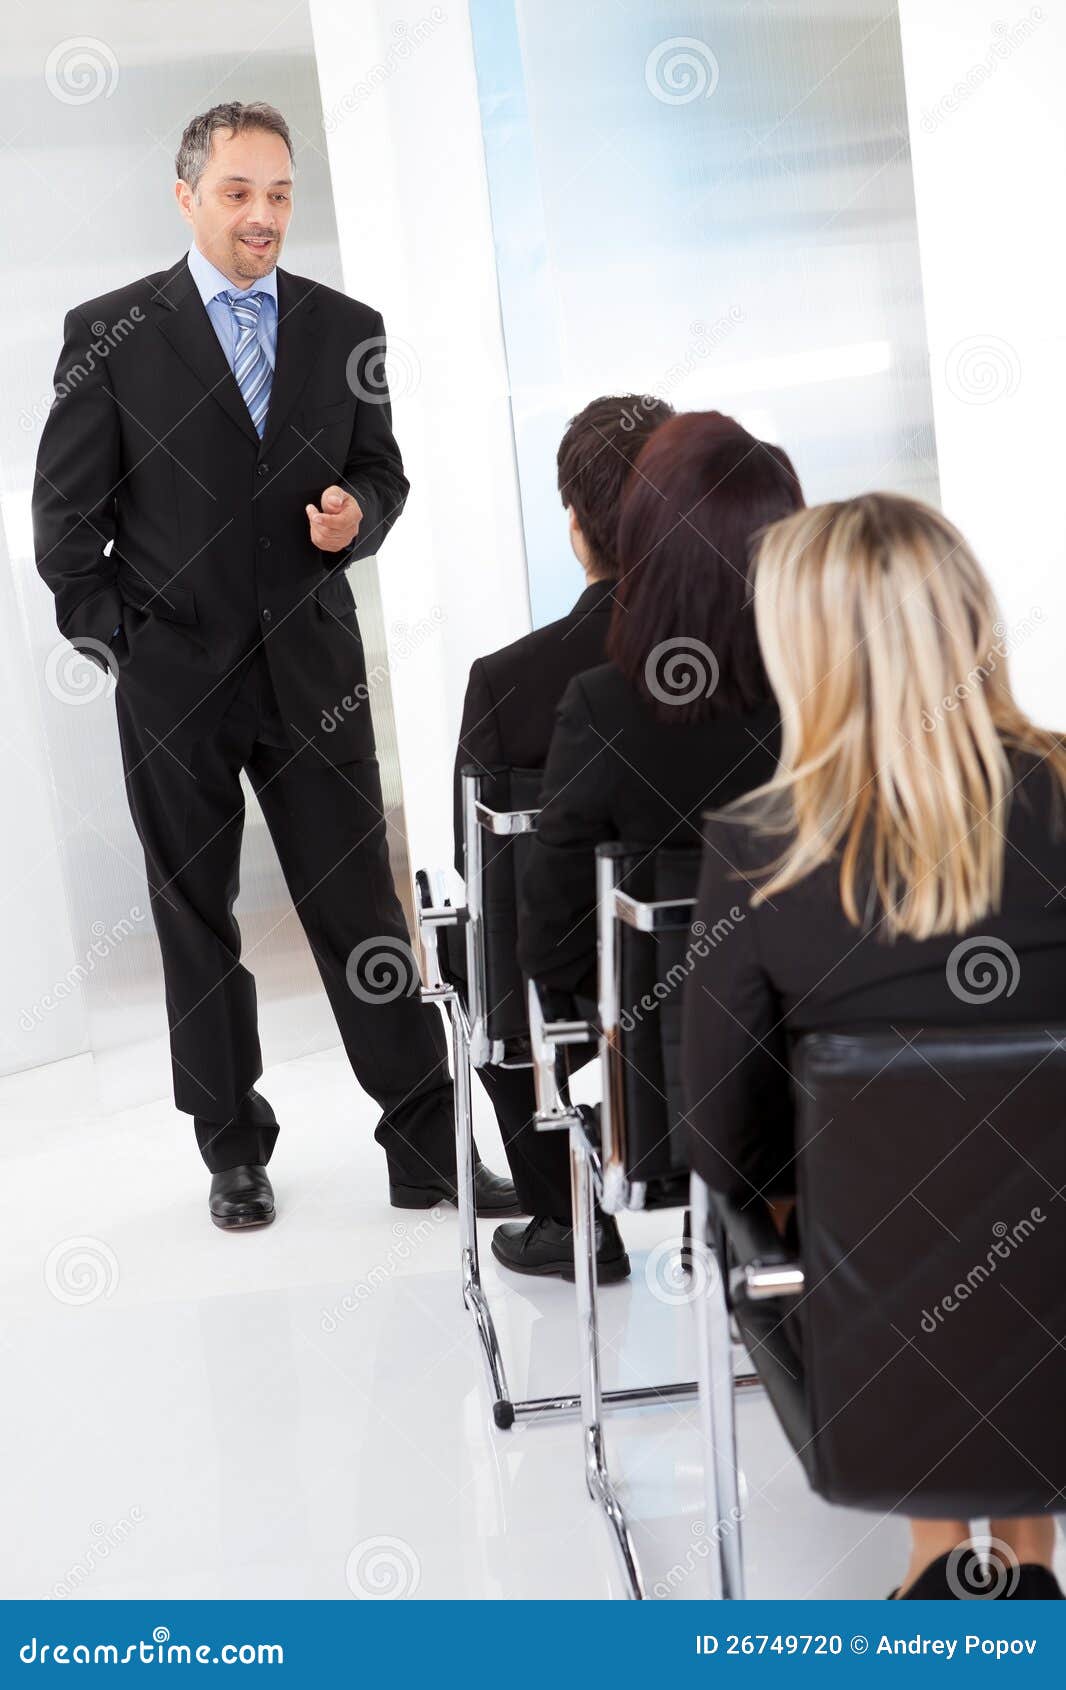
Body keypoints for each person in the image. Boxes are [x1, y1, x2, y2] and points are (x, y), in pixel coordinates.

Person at [32, 100, 513, 1231]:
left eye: (281, 193)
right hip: (173, 684)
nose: (264, 214)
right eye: (240, 192)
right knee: (194, 912)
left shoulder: (348, 324)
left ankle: (424, 1137)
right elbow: (64, 533)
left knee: (360, 907)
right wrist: (132, 650)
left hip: (312, 675)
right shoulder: (110, 333)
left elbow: (381, 474)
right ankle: (232, 1147)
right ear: (187, 194)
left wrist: (362, 515)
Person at [682, 491, 1066, 1600]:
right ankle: (1031, 1555)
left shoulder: (761, 847)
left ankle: (937, 1548)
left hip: (885, 1333)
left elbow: (719, 1139)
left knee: (841, 1202)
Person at [510, 412, 803, 1279]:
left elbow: (551, 947)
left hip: (680, 1115)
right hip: (855, 1115)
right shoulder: (841, 701)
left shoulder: (605, 710)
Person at [451, 393, 674, 1267]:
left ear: (576, 526)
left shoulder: (507, 681)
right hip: (734, 995)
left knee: (482, 961)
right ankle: (724, 1217)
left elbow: (483, 874)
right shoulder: (767, 661)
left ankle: (568, 1219)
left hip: (566, 994)